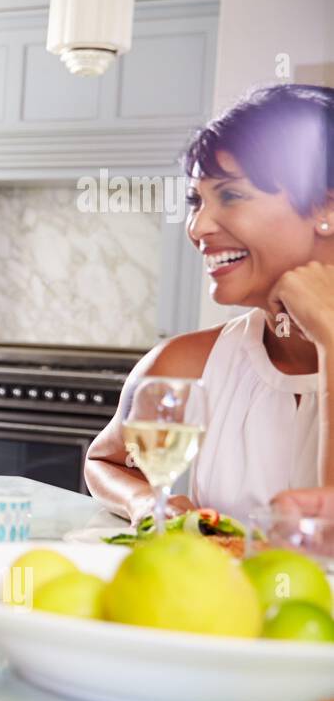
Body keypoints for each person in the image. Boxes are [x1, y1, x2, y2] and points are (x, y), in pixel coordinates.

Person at [85, 85, 334, 524]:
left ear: (324, 207)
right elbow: (105, 463)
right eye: (195, 201)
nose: (197, 227)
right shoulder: (188, 362)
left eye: (231, 195)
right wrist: (145, 503)